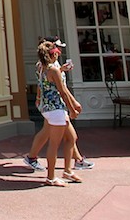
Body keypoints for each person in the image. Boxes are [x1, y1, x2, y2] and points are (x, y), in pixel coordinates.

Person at [23, 36, 93, 172]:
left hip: (51, 106)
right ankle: (64, 170)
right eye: (57, 48)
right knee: (63, 139)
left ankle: (74, 162)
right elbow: (61, 89)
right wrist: (73, 106)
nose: (59, 51)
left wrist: (61, 70)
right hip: (55, 106)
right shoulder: (48, 67)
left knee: (53, 133)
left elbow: (49, 83)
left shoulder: (49, 66)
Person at [33, 40, 82, 186]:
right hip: (55, 109)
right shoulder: (53, 70)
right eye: (56, 53)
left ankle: (68, 170)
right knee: (54, 144)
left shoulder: (41, 68)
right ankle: (51, 177)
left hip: (49, 108)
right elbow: (63, 91)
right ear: (53, 55)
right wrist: (72, 109)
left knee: (72, 138)